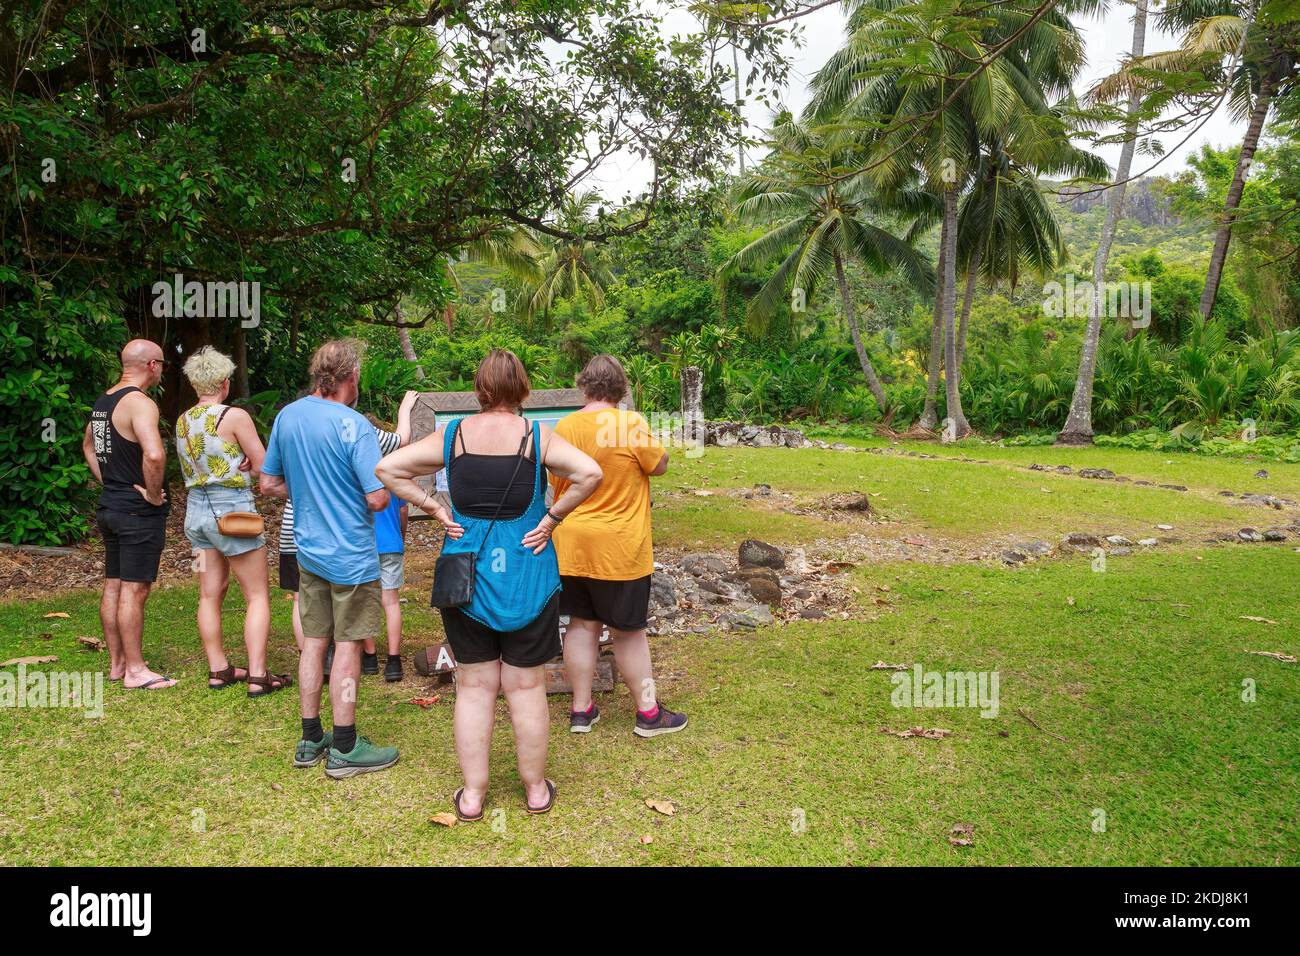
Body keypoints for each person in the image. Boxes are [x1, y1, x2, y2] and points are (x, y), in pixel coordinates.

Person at [376, 349, 602, 820]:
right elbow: (590, 474)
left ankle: (474, 795)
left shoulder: (452, 435)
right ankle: (536, 790)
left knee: (474, 687)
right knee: (526, 688)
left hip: (466, 576)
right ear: (522, 389)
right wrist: (553, 517)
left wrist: (436, 509)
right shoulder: (537, 436)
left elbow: (389, 468)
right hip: (529, 575)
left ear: (480, 390)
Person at [260, 340, 399, 779]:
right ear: (349, 376)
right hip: (351, 555)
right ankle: (344, 745)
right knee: (349, 645)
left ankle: (309, 738)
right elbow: (377, 498)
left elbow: (268, 482)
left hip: (307, 550)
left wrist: (310, 495)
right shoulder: (354, 424)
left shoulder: (288, 415)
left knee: (314, 642)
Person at [551, 355, 687, 737]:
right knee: (629, 631)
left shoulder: (565, 426)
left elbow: (556, 474)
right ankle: (648, 713)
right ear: (621, 388)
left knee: (580, 624)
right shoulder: (629, 424)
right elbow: (659, 464)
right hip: (620, 546)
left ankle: (581, 709)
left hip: (573, 543)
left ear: (583, 386)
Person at [176, 347, 290, 698]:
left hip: (196, 516)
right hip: (233, 513)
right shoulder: (235, 416)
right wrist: (247, 461)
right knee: (256, 594)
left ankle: (219, 669)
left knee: (209, 594)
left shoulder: (182, 419)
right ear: (225, 383)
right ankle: (258, 675)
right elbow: (263, 467)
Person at [278, 393, 414, 678]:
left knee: (304, 600)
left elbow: (268, 480)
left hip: (306, 534)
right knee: (370, 603)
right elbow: (391, 500)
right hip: (360, 540)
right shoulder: (367, 447)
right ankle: (388, 660)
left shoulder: (294, 427)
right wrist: (405, 408)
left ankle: (336, 658)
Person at [81, 339, 175, 691]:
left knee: (114, 585)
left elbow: (88, 445)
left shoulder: (105, 400)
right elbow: (153, 455)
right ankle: (136, 670)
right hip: (136, 512)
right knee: (134, 590)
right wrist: (152, 494)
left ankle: (118, 664)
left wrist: (111, 481)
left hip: (111, 506)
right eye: (163, 363)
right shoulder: (140, 403)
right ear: (153, 365)